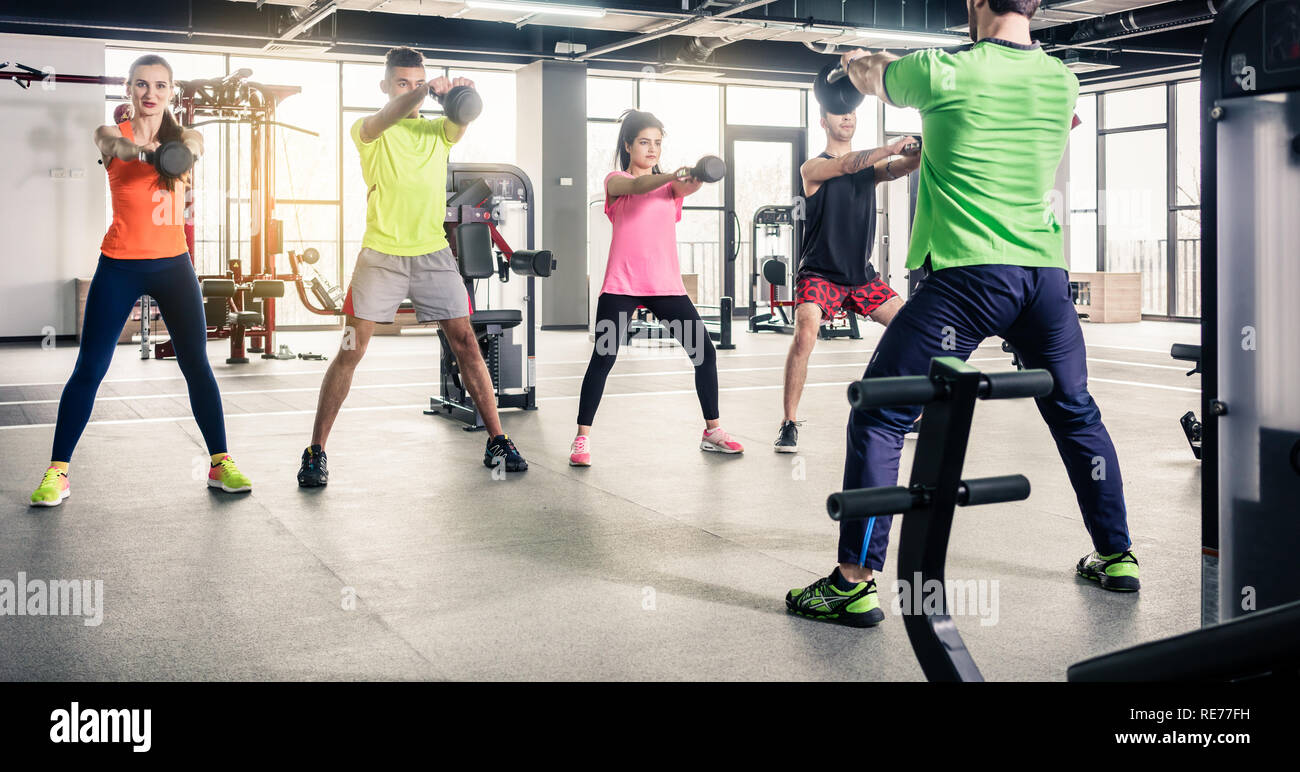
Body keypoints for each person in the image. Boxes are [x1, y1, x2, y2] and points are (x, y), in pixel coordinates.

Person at [786, 0, 1139, 628]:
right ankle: (1116, 555)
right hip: (1046, 277)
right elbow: (1060, 122)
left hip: (969, 277)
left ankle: (853, 583)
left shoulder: (942, 71)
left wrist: (854, 63)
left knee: (882, 408)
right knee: (1076, 410)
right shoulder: (1061, 79)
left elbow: (873, 75)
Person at [298, 47, 527, 487]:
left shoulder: (437, 132)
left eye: (416, 82)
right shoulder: (370, 129)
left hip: (432, 254)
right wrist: (423, 90)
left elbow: (460, 121)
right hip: (380, 257)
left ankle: (497, 439)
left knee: (466, 342)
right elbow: (392, 113)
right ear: (386, 86)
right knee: (350, 349)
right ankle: (315, 451)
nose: (411, 91)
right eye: (402, 83)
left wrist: (461, 95)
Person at [30, 54, 252, 507]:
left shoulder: (188, 137)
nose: (150, 93)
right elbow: (115, 149)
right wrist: (148, 152)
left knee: (197, 366)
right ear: (129, 90)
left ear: (171, 93)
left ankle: (220, 462)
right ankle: (58, 472)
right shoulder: (110, 134)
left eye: (160, 86)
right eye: (141, 85)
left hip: (174, 266)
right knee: (90, 368)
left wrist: (177, 151)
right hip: (119, 265)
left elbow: (193, 147)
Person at [569, 110, 743, 467]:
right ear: (628, 144)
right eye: (645, 142)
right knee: (603, 358)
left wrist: (696, 175)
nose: (652, 149)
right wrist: (671, 175)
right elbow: (637, 185)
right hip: (622, 285)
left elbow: (686, 185)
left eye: (658, 143)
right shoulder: (616, 182)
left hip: (665, 286)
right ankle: (581, 438)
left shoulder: (670, 186)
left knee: (704, 352)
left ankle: (712, 431)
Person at [774, 105, 919, 454]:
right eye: (839, 115)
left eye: (851, 113)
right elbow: (845, 165)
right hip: (820, 272)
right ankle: (789, 423)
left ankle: (905, 411)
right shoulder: (813, 167)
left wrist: (920, 149)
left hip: (861, 276)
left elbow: (904, 167)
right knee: (806, 334)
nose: (847, 118)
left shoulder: (870, 169)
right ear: (825, 123)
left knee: (913, 328)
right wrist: (891, 146)